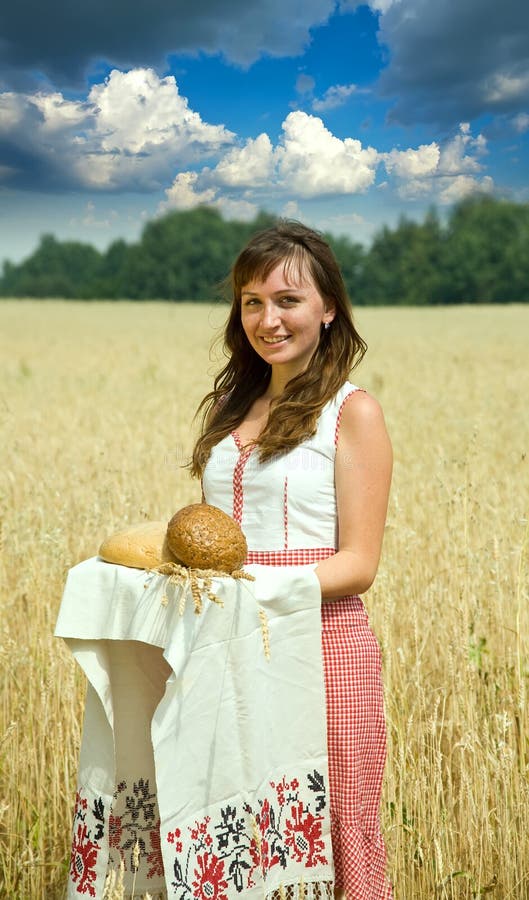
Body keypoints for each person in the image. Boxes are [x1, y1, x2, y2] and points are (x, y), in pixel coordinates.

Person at [190, 220, 393, 900]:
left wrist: (255, 590)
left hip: (322, 646)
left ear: (328, 307)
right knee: (230, 834)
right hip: (225, 648)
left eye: (287, 300)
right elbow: (213, 535)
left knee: (337, 834)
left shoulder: (351, 412)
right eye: (251, 301)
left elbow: (358, 563)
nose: (266, 319)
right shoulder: (230, 406)